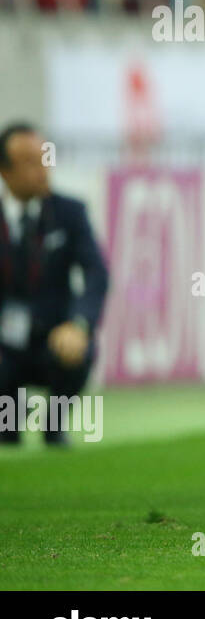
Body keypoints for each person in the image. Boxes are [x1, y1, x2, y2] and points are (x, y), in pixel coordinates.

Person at [0, 122, 109, 446]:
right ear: (4, 171)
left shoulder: (69, 213)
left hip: (53, 339)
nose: (42, 170)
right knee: (6, 436)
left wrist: (79, 323)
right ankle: (8, 424)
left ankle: (54, 424)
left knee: (81, 347)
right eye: (30, 162)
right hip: (5, 348)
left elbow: (96, 273)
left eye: (45, 159)